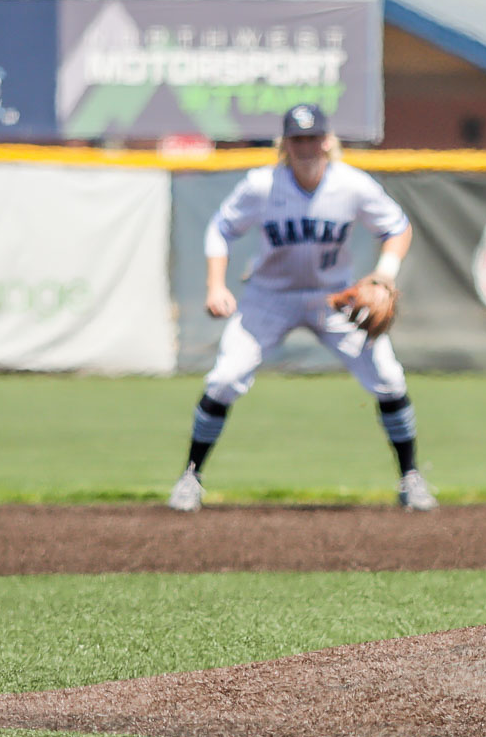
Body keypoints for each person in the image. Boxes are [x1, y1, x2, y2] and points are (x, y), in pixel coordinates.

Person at [167, 103, 434, 512]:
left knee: (389, 378)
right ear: (285, 144)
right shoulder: (262, 185)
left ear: (328, 142)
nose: (306, 146)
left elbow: (396, 227)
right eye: (298, 139)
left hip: (334, 300)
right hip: (269, 297)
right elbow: (221, 228)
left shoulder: (352, 185)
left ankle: (411, 478)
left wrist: (384, 273)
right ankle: (190, 478)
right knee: (224, 379)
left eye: (313, 138)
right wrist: (215, 285)